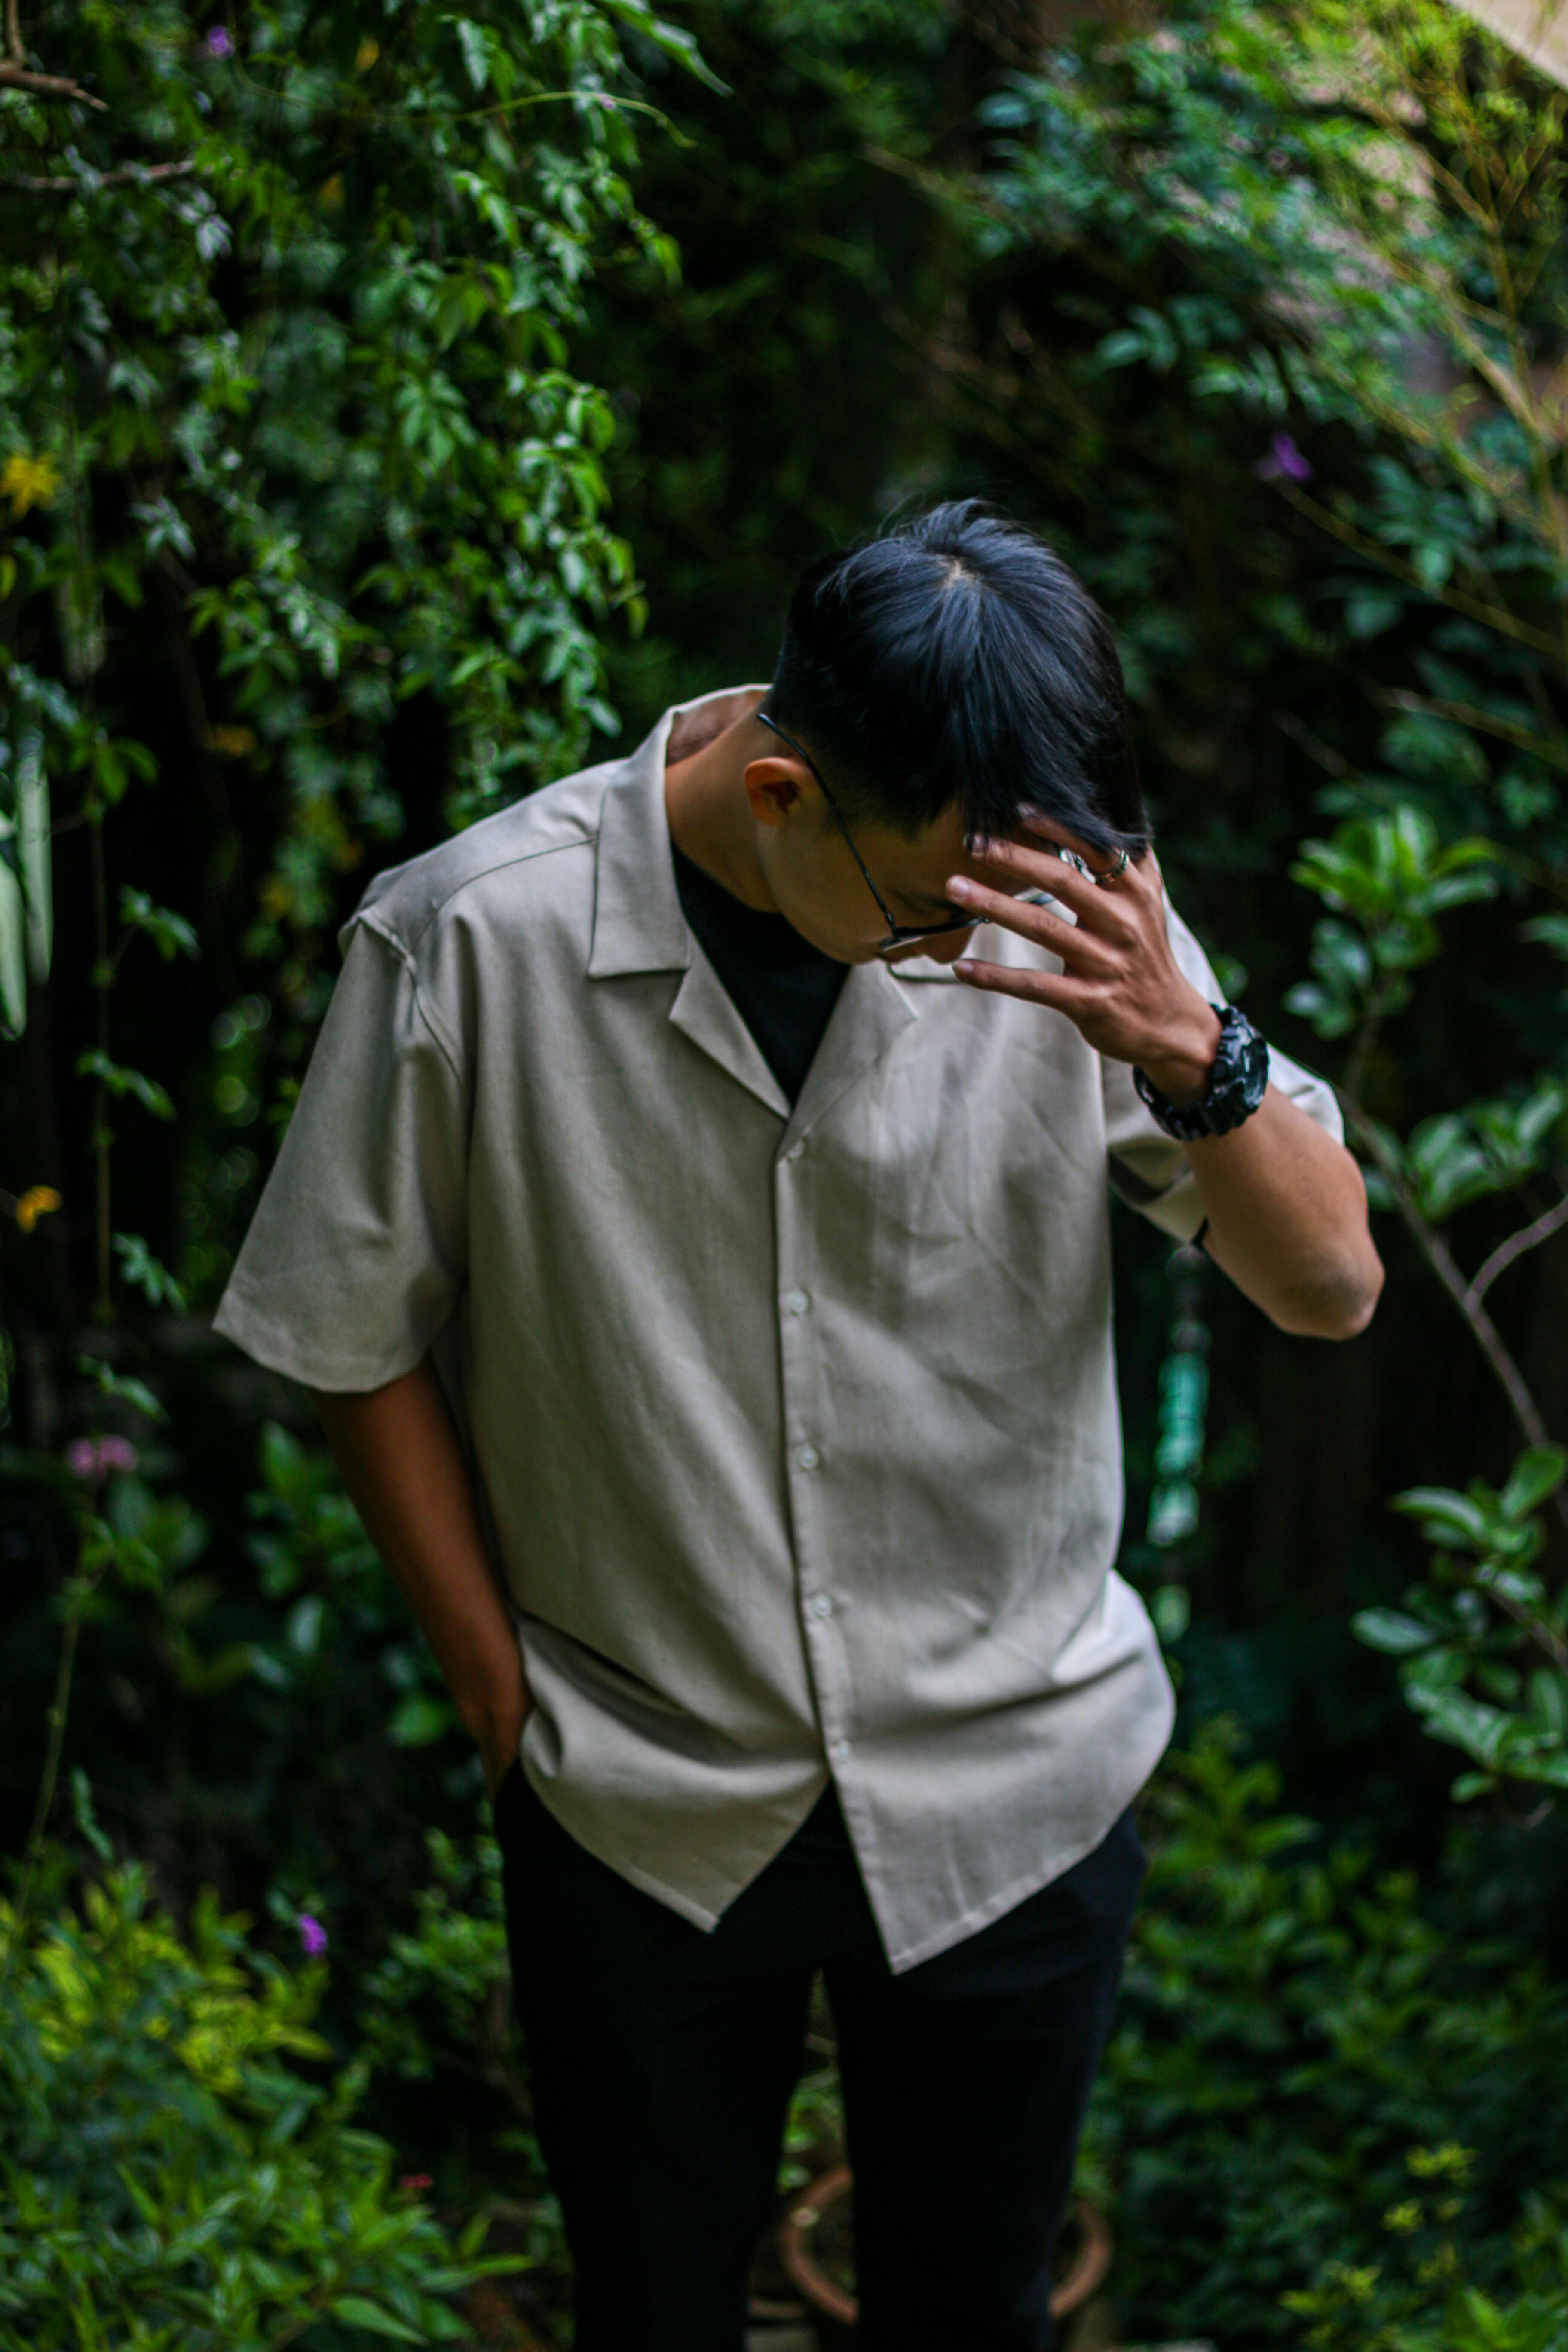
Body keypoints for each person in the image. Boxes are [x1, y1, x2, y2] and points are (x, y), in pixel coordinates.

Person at [214, 502, 1382, 2352]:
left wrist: (1193, 1043)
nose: (970, 951)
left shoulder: (1061, 917)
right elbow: (349, 1335)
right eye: (928, 917)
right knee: (653, 2312)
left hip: (1020, 1781)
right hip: (641, 1787)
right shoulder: (469, 946)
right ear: (778, 795)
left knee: (970, 2315)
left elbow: (1332, 1287)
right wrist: (496, 1694)